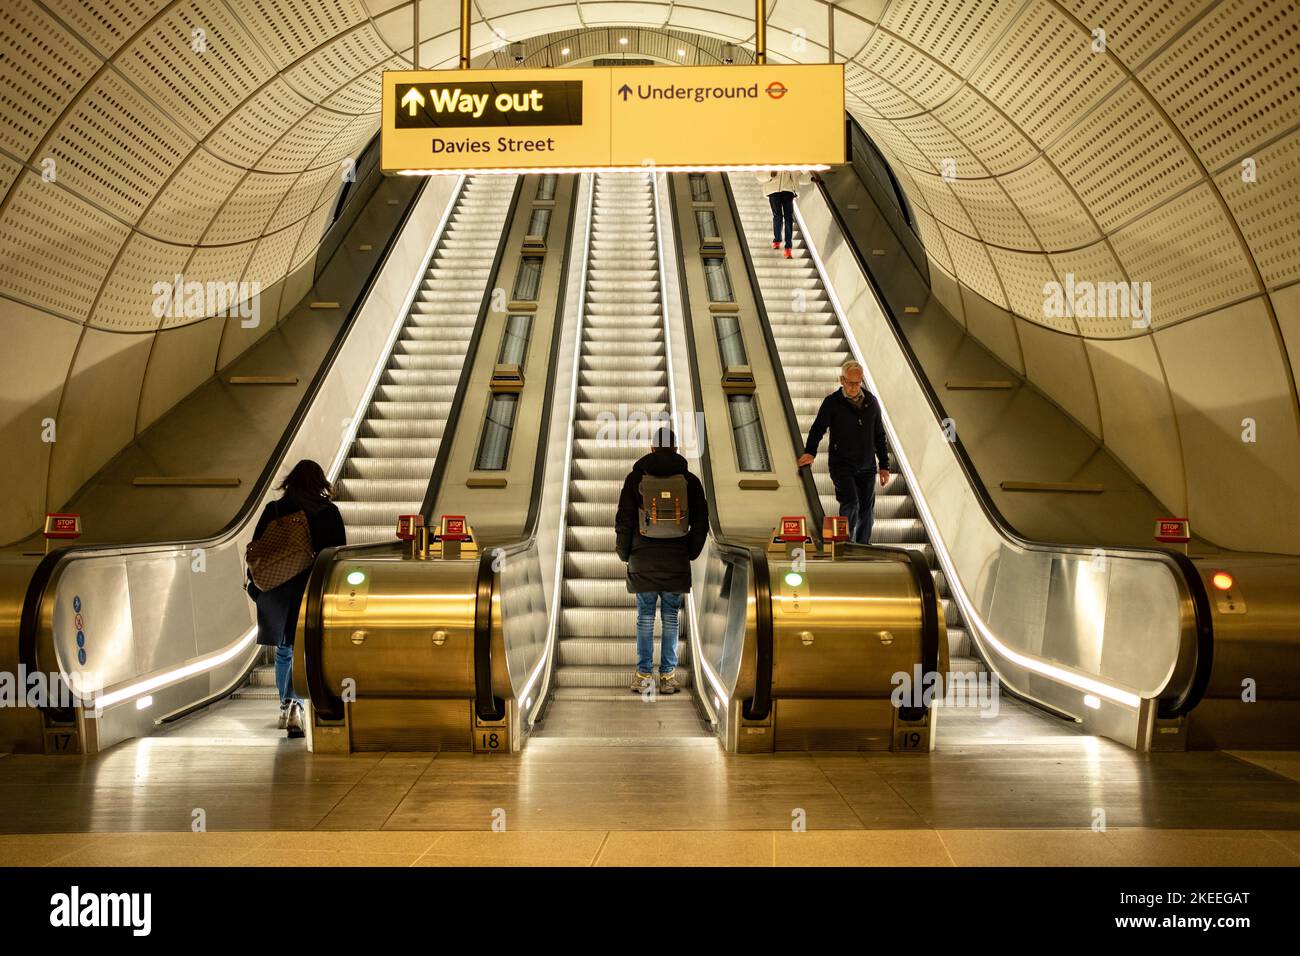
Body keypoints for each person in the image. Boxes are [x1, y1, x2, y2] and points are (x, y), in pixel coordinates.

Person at [246, 460, 346, 738]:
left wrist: (256, 585)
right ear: (319, 482)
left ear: (291, 481)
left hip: (275, 589)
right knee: (302, 647)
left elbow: (256, 550)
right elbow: (338, 553)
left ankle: (286, 705)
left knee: (284, 649)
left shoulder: (275, 510)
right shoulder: (328, 512)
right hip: (310, 588)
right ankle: (294, 705)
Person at [614, 427, 709, 696]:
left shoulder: (635, 478)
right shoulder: (690, 480)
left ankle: (643, 675)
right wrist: (690, 552)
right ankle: (668, 676)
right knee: (671, 618)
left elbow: (624, 520)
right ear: (676, 449)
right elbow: (701, 522)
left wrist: (624, 553)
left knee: (645, 617)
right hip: (676, 559)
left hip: (642, 558)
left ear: (652, 448)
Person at [797, 360, 890, 544]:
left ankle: (863, 546)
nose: (854, 387)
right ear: (842, 380)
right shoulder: (832, 402)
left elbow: (879, 434)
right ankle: (845, 544)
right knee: (851, 503)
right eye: (850, 383)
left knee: (867, 511)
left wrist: (884, 466)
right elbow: (818, 428)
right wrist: (810, 452)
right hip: (842, 466)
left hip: (867, 466)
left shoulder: (871, 402)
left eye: (858, 383)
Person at [756, 169, 813, 258]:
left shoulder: (791, 162)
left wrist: (811, 178)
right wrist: (770, 174)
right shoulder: (768, 161)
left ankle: (788, 247)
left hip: (788, 190)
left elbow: (799, 175)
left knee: (789, 218)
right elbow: (759, 175)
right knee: (778, 216)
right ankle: (777, 240)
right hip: (773, 191)